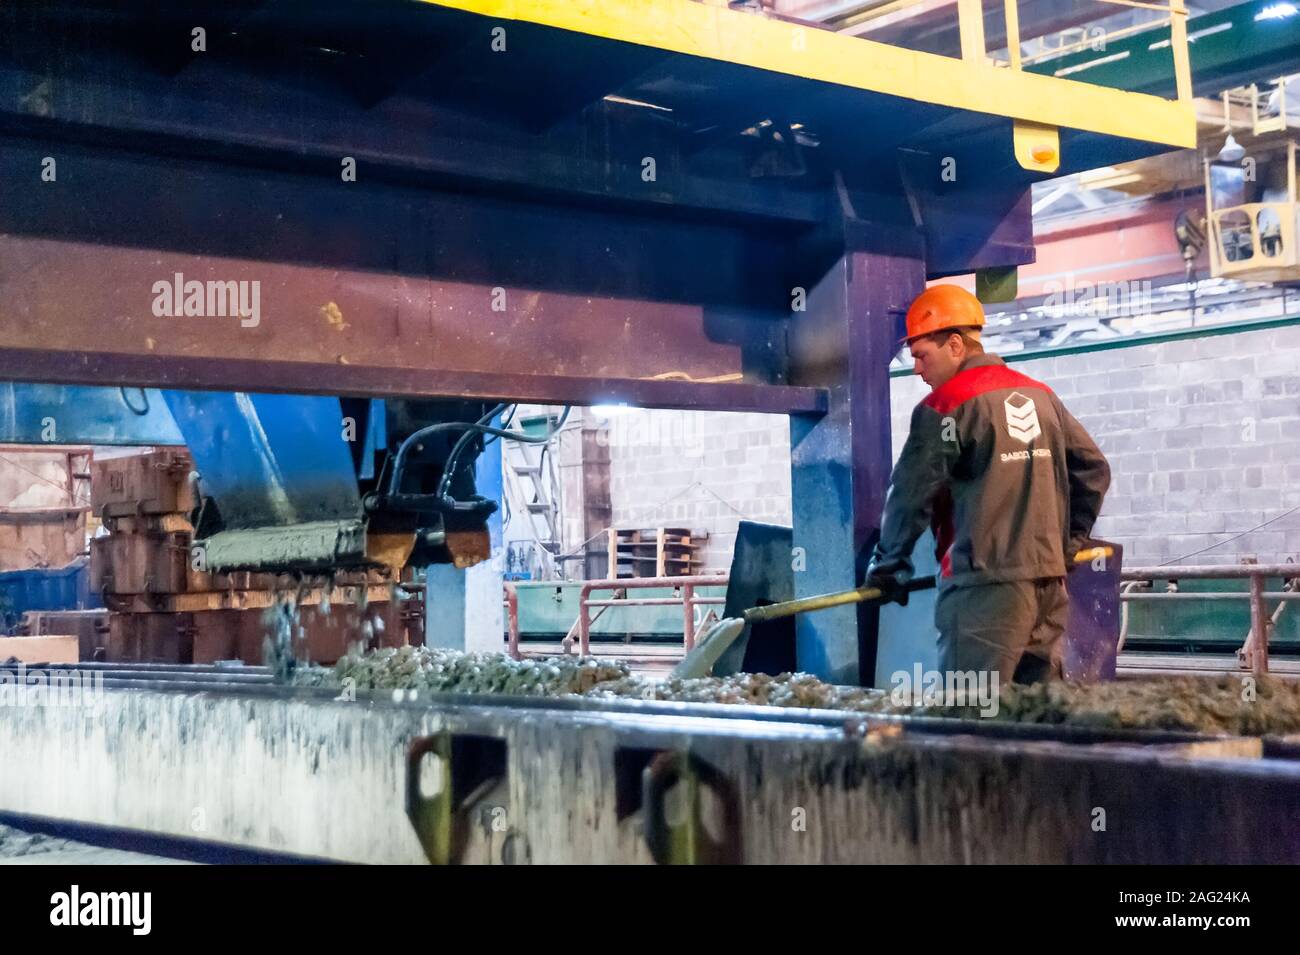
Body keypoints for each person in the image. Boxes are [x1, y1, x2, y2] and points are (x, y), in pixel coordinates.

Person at [866, 284, 1110, 683]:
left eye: (921, 355)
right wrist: (1067, 546)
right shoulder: (1041, 396)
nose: (917, 369)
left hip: (984, 591)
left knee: (971, 718)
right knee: (1034, 719)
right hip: (1048, 590)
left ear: (956, 345)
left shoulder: (945, 407)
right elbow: (1094, 469)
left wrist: (890, 566)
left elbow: (910, 496)